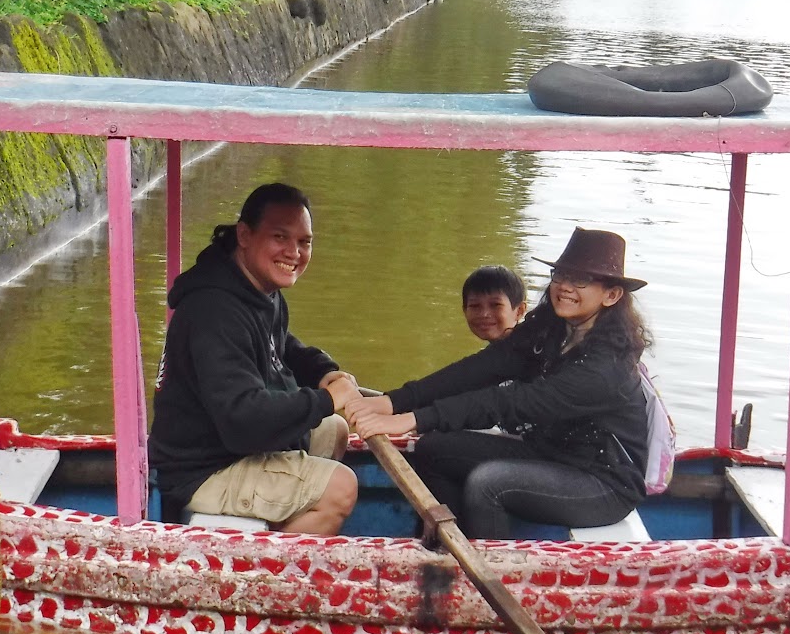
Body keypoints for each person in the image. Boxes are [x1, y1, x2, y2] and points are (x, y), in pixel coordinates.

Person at [346, 228, 650, 539]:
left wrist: (411, 420)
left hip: (603, 483)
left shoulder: (606, 368)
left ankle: (493, 571)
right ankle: (449, 546)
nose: (564, 287)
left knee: (488, 483)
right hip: (550, 452)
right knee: (433, 448)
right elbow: (483, 368)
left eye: (580, 280)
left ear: (611, 295)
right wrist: (393, 402)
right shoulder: (554, 327)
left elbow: (510, 402)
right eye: (561, 275)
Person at [148, 183, 361, 534]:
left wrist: (324, 371)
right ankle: (266, 578)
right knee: (341, 488)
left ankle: (279, 523)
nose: (294, 252)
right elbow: (243, 421)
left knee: (335, 430)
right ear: (245, 235)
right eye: (280, 237)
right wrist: (324, 400)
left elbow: (281, 344)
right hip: (203, 470)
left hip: (233, 447)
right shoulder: (214, 310)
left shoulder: (255, 287)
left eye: (304, 242)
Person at [461, 264, 526, 343]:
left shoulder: (534, 350)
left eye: (495, 305)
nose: (484, 314)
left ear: (519, 311)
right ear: (465, 310)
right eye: (475, 306)